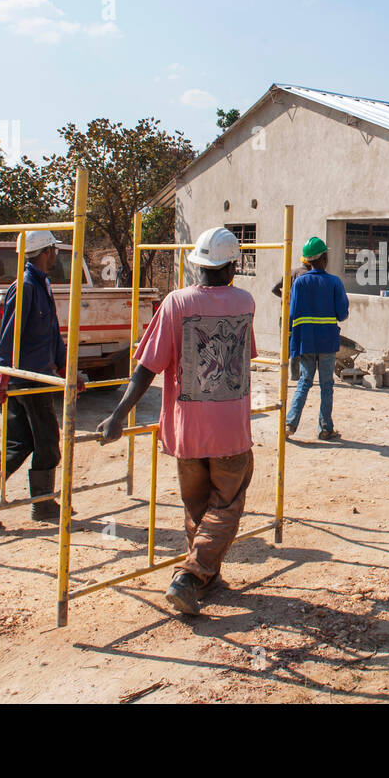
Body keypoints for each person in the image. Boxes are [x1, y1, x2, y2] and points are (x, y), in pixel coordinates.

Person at [97, 226, 257, 616]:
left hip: (188, 432)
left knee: (197, 508)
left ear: (197, 264)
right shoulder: (245, 302)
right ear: (232, 265)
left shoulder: (175, 302)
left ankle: (205, 578)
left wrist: (119, 414)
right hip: (231, 430)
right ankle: (189, 576)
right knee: (227, 504)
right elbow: (245, 355)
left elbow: (147, 367)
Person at [0, 231, 85, 529]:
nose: (56, 254)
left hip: (38, 376)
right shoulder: (25, 287)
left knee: (20, 444)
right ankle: (42, 505)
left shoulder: (41, 283)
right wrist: (2, 379)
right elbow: (9, 338)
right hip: (27, 379)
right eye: (54, 250)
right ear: (46, 252)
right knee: (46, 443)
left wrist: (67, 371)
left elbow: (52, 335)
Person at [286, 237, 349, 440]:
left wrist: (291, 341)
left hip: (306, 341)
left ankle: (290, 424)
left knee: (304, 382)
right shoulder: (333, 282)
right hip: (327, 341)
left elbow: (292, 314)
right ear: (324, 257)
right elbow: (342, 313)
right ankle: (325, 427)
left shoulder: (300, 282)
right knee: (326, 385)